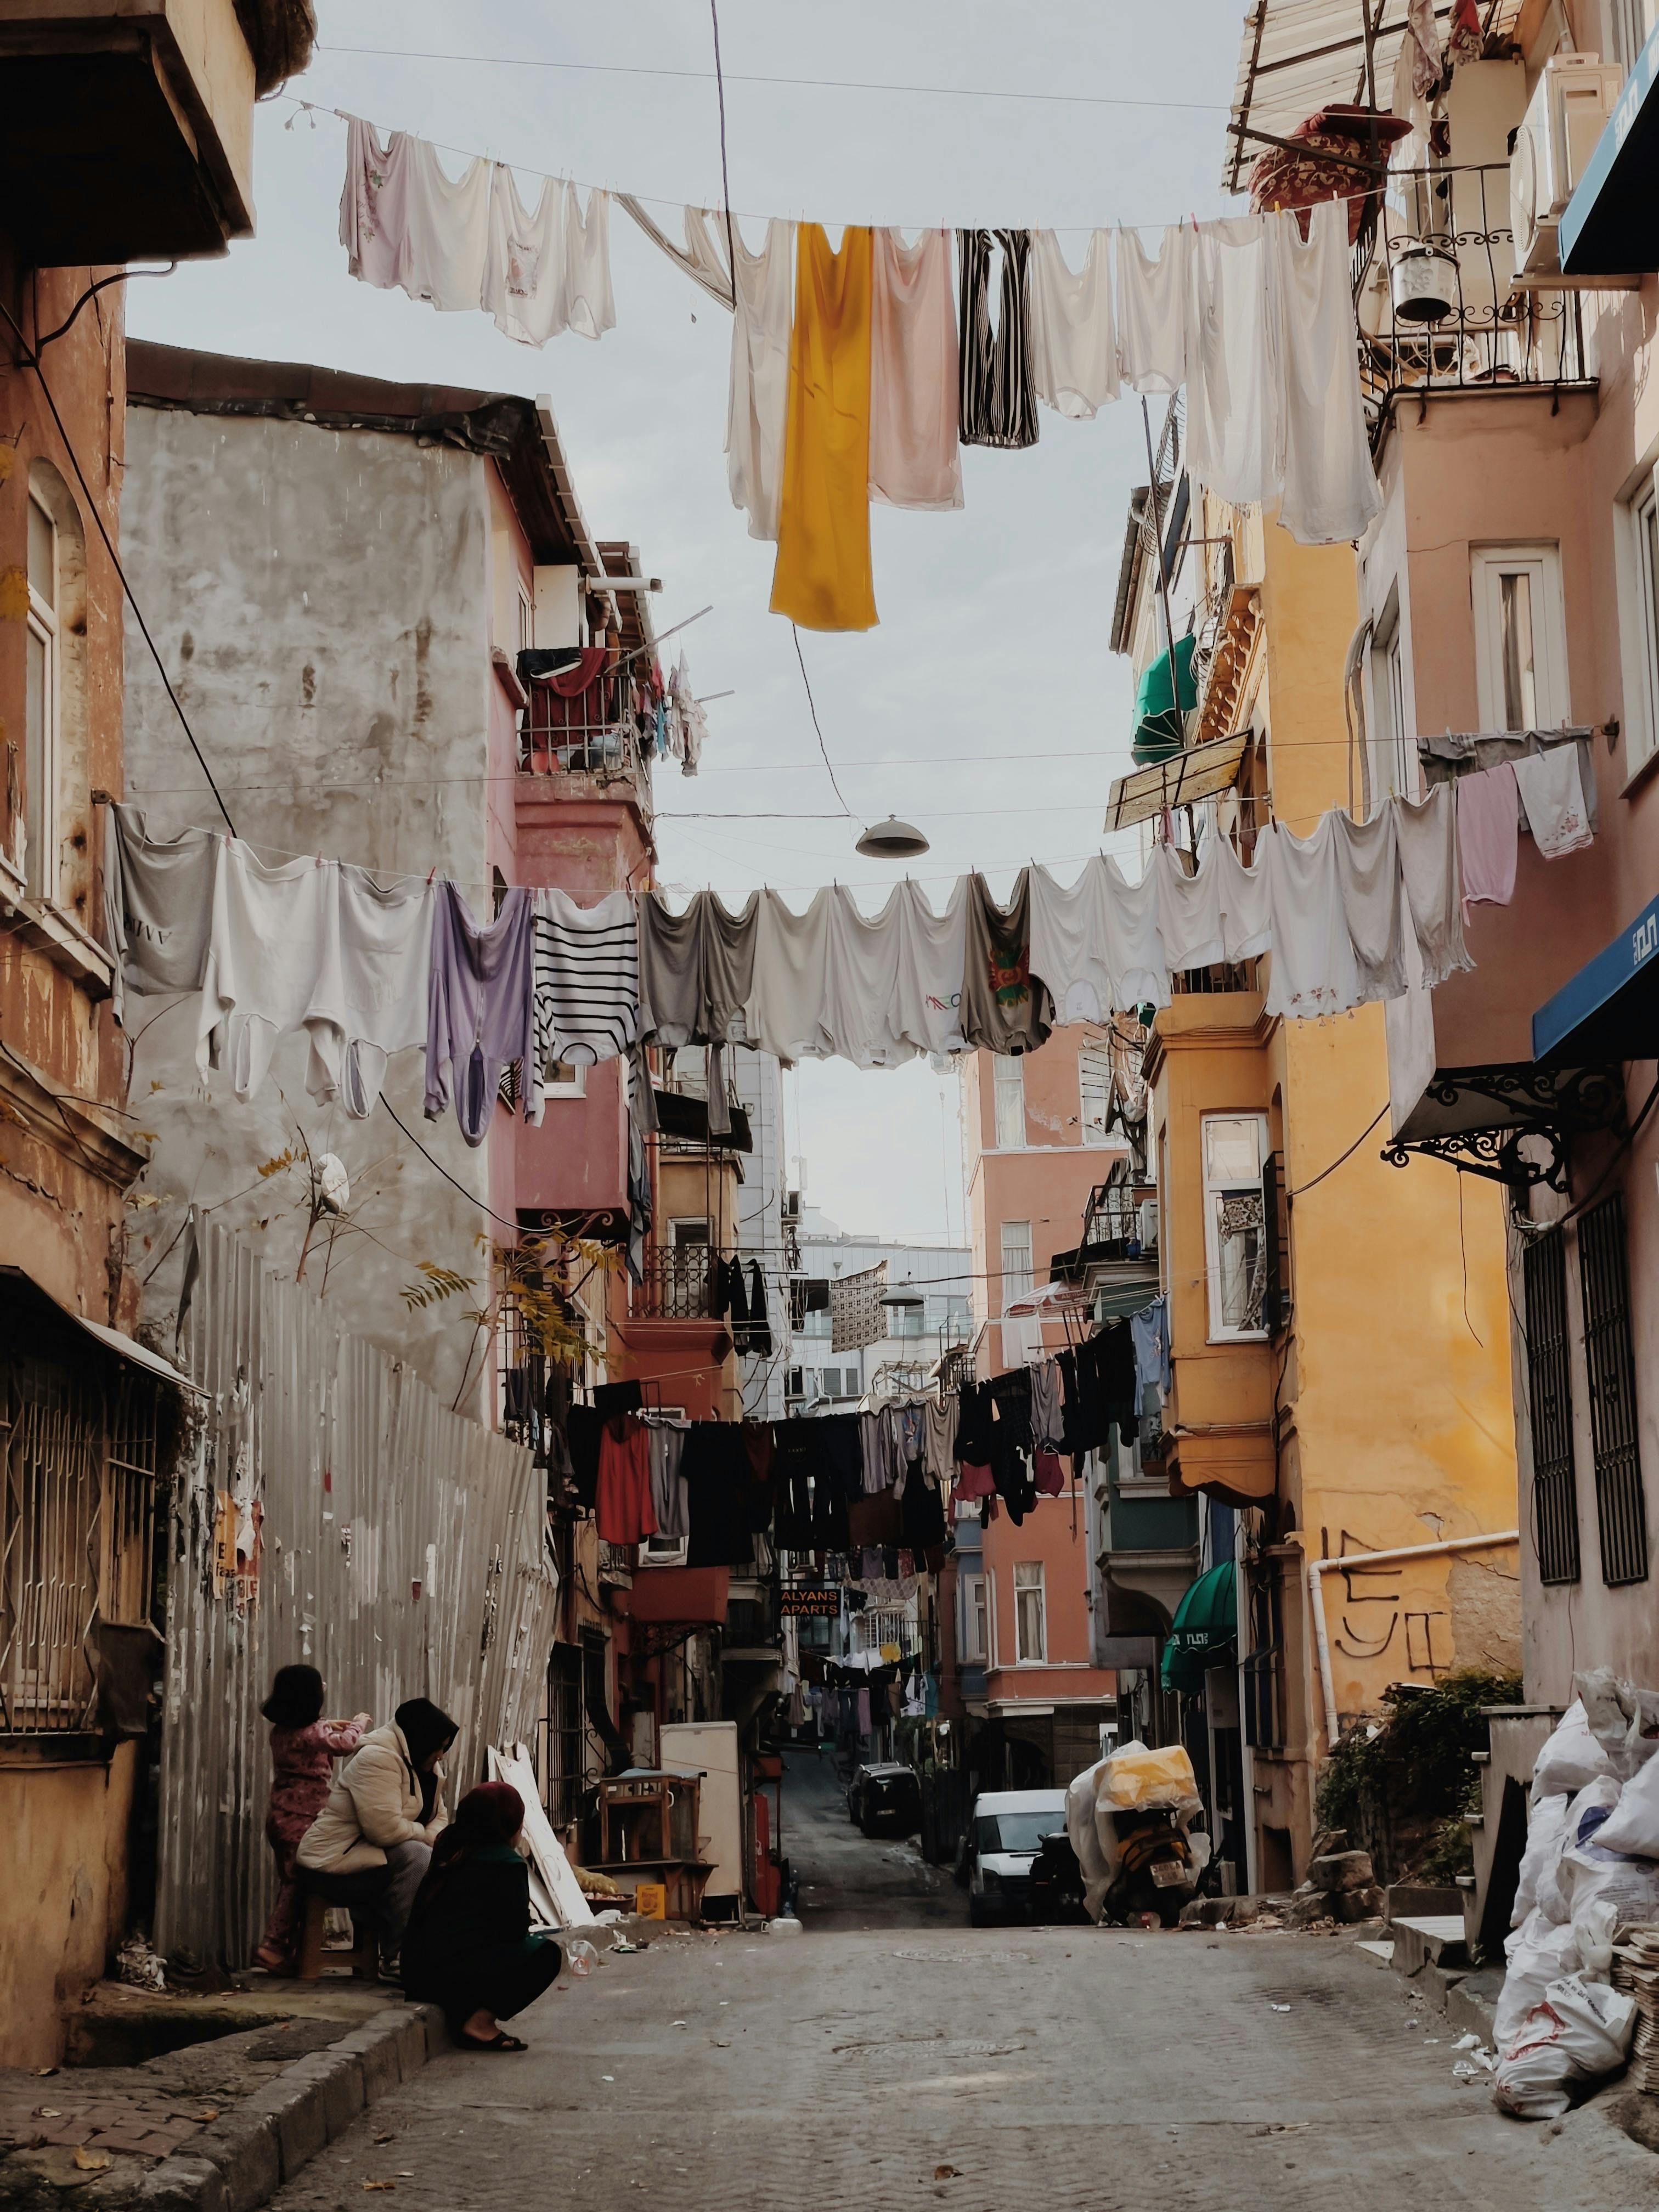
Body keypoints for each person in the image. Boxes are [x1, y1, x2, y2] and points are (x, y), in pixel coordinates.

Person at [295, 1697, 458, 1972]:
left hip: (371, 1859)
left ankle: (427, 1950)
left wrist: (430, 1836)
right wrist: (426, 1835)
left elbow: (440, 1815)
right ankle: (398, 1958)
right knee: (419, 1857)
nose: (441, 1755)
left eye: (444, 1748)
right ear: (421, 1738)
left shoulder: (424, 1764)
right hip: (331, 1864)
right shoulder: (377, 1759)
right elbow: (385, 1830)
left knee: (441, 1860)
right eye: (438, 1748)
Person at [400, 1780, 561, 2051]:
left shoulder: (450, 1846)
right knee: (547, 1955)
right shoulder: (506, 1863)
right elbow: (513, 1933)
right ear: (511, 1824)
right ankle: (479, 2024)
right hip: (456, 1979)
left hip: (418, 1977)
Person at [251, 1664, 371, 1973]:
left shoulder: (282, 1732)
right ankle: (272, 1946)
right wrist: (358, 1724)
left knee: (290, 1882)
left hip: (280, 1817)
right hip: (303, 1822)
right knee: (297, 1884)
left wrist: (330, 1724)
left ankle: (288, 1951)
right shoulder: (315, 1733)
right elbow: (346, 1745)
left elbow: (312, 1734)